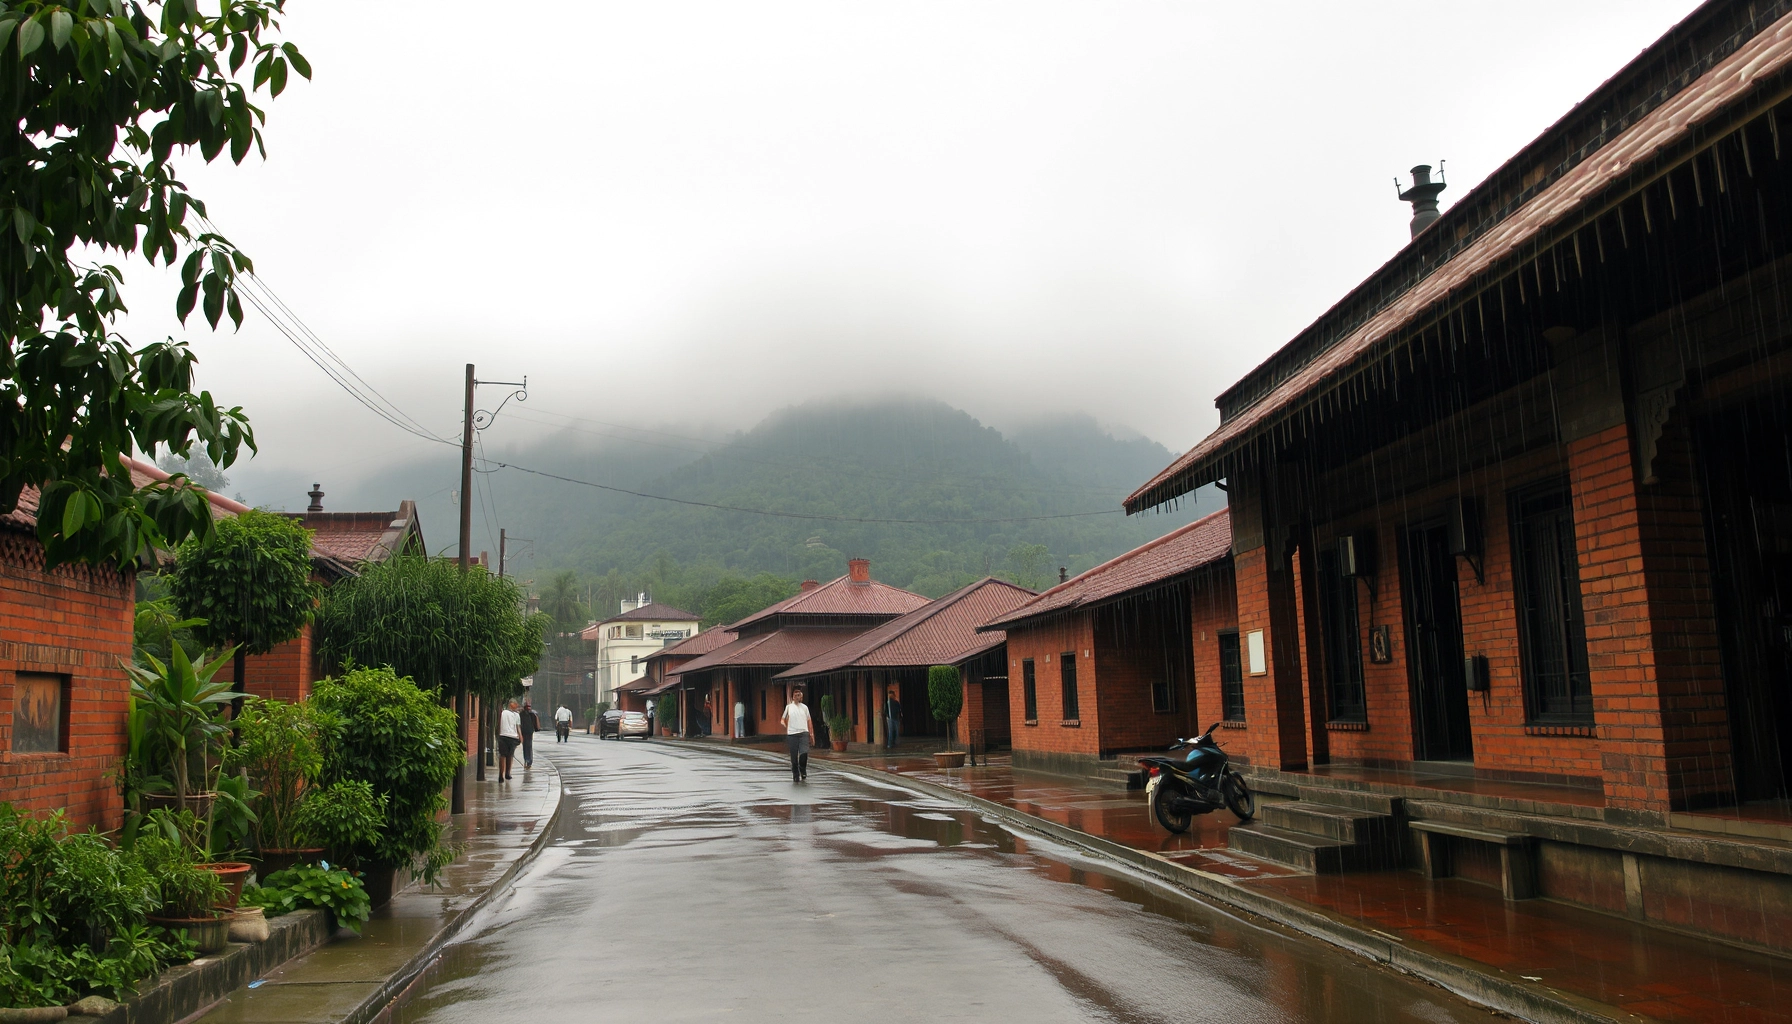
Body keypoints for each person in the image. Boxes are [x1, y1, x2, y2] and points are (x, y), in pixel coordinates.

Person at [781, 688, 814, 783]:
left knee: (804, 754)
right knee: (794, 756)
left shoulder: (805, 708)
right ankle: (795, 774)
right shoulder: (789, 707)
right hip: (792, 734)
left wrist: (811, 734)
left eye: (799, 695)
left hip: (804, 733)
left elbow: (809, 721)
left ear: (801, 697)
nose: (797, 697)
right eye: (795, 695)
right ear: (792, 697)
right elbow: (783, 719)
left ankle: (802, 769)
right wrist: (784, 724)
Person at [497, 699, 522, 781]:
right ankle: (507, 773)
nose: (516, 706)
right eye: (515, 704)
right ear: (511, 704)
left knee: (503, 755)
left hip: (503, 735)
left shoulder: (502, 712)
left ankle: (501, 774)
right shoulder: (514, 714)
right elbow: (518, 727)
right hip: (512, 737)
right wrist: (520, 737)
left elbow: (517, 726)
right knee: (509, 756)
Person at [520, 700, 540, 768]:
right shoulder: (531, 713)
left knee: (526, 746)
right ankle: (528, 760)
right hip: (527, 732)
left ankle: (528, 760)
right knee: (527, 746)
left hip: (526, 732)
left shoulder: (524, 714)